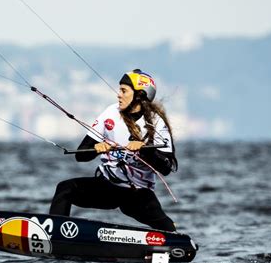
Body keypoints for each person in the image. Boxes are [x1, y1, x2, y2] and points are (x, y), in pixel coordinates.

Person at [49, 69, 178, 231]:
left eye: (124, 91)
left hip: (138, 194)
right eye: (119, 90)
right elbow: (81, 155)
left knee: (168, 230)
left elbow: (166, 167)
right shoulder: (110, 112)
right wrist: (96, 149)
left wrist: (145, 150)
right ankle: (55, 234)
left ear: (139, 95)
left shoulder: (156, 123)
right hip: (107, 187)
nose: (118, 95)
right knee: (65, 188)